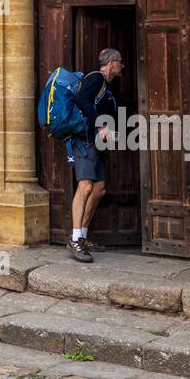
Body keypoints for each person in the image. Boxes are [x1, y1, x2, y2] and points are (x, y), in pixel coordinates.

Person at [66, 47, 123, 262]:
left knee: (99, 189)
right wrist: (100, 126)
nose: (121, 67)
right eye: (120, 63)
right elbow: (81, 99)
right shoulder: (96, 79)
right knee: (86, 186)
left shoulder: (107, 86)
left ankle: (83, 235)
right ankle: (74, 239)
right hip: (85, 141)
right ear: (112, 63)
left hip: (97, 143)